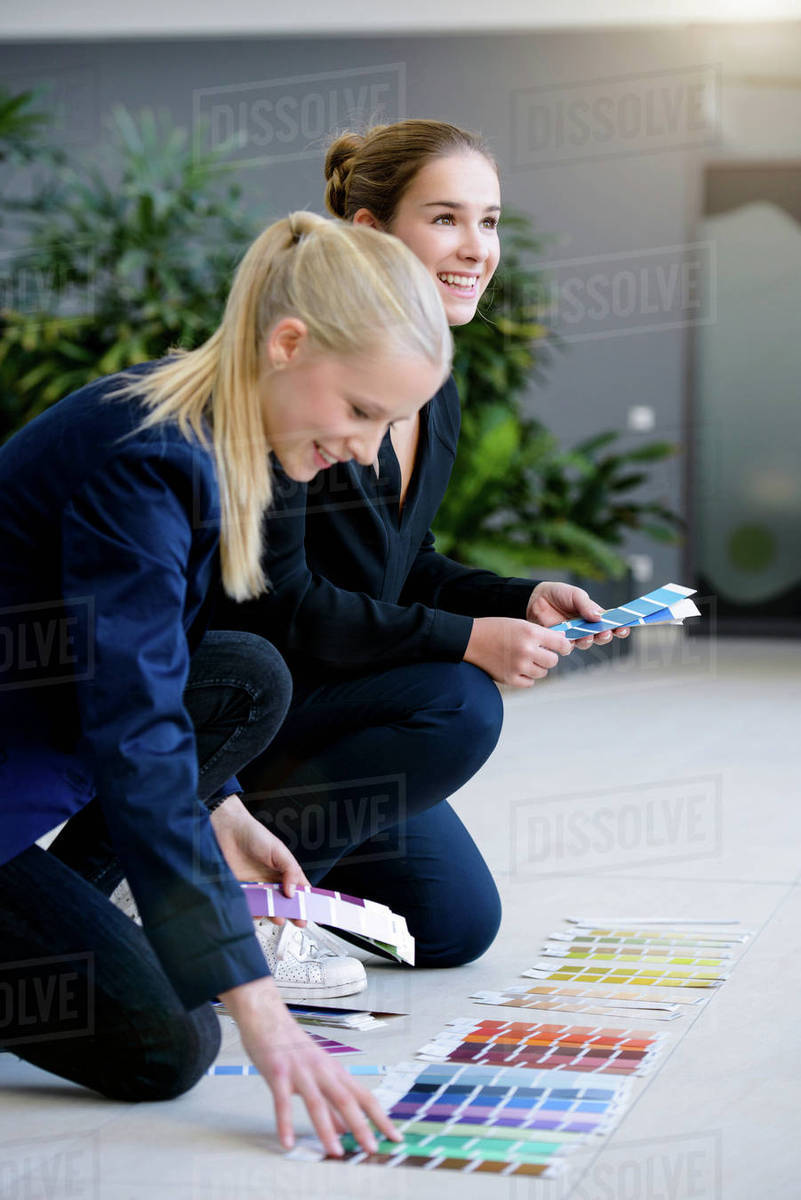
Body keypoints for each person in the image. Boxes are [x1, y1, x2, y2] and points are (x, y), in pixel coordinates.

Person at [0, 210, 451, 1157]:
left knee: (246, 674)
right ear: (289, 343)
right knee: (171, 1045)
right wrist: (261, 1009)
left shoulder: (207, 430)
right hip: (36, 750)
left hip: (37, 738)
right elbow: (138, 735)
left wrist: (227, 810)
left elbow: (167, 661)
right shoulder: (147, 459)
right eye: (364, 412)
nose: (368, 450)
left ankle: (75, 913)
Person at [215, 121, 629, 968]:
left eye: (489, 221)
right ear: (369, 232)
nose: (476, 247)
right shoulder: (301, 379)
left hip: (336, 709)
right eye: (445, 218)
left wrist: (515, 600)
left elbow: (408, 563)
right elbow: (279, 603)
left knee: (449, 928)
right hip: (245, 704)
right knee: (459, 700)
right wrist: (470, 641)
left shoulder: (430, 388)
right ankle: (237, 907)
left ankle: (276, 865)